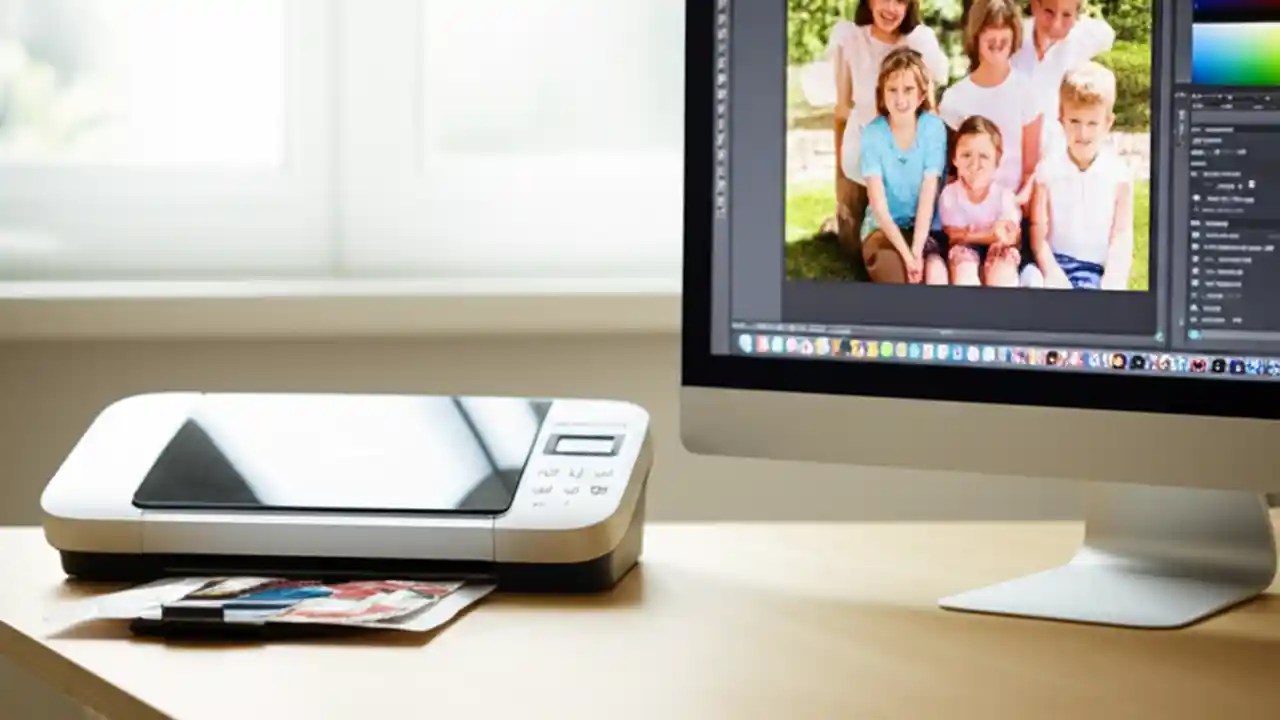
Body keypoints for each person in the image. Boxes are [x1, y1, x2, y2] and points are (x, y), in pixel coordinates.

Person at [829, 0, 950, 263]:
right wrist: (839, 179)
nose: (891, 8)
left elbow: (929, 109)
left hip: (906, 156)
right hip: (865, 150)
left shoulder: (917, 41)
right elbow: (841, 110)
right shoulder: (850, 38)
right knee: (853, 251)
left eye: (901, 1)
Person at [1024, 62, 1134, 290]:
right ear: (1061, 119)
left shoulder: (1118, 174)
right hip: (1053, 263)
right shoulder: (1048, 170)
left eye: (1092, 123)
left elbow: (1121, 235)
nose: (1082, 133)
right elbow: (1038, 233)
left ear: (1108, 123)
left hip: (1093, 268)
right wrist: (1052, 272)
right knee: (1030, 283)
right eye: (1074, 121)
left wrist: (1113, 280)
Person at [938, 0, 1043, 208]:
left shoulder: (1026, 91)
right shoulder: (955, 97)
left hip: (1011, 210)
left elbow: (1031, 169)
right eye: (989, 31)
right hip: (964, 213)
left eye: (1004, 31)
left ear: (1014, 36)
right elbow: (949, 171)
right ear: (976, 35)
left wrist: (1015, 206)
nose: (997, 40)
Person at [859, 47, 949, 285]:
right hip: (883, 232)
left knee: (930, 279)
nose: (900, 99)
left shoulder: (933, 129)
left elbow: (928, 194)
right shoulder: (872, 134)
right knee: (898, 280)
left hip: (921, 231)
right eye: (892, 90)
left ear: (921, 95)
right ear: (882, 94)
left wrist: (916, 251)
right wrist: (907, 257)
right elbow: (879, 206)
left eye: (908, 90)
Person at [1011, 0, 1116, 145]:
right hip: (1018, 143)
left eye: (1066, 15)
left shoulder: (1083, 38)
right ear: (1035, 5)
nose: (1056, 24)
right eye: (1049, 12)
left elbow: (1108, 35)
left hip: (1062, 146)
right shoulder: (1015, 37)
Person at [938, 116, 1022, 287]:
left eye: (984, 156)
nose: (974, 163)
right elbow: (954, 236)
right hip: (965, 250)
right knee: (964, 270)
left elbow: (1009, 236)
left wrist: (969, 235)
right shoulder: (950, 195)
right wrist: (991, 234)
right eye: (966, 155)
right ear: (954, 158)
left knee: (1003, 269)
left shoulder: (1004, 195)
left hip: (998, 249)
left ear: (997, 160)